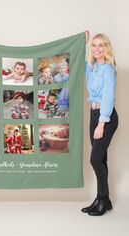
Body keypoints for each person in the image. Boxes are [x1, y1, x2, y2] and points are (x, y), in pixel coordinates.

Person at [81, 32, 118, 216]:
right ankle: (103, 199)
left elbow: (109, 99)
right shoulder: (92, 67)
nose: (96, 49)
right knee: (101, 159)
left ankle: (103, 200)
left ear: (106, 48)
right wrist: (82, 42)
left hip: (106, 117)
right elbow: (76, 63)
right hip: (93, 114)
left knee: (95, 159)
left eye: (100, 45)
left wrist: (101, 124)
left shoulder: (108, 69)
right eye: (94, 45)